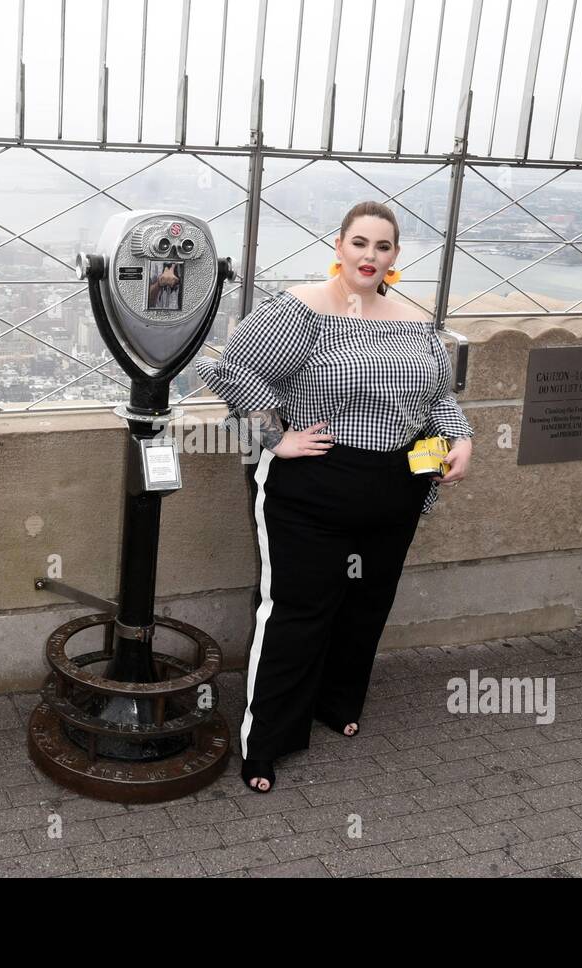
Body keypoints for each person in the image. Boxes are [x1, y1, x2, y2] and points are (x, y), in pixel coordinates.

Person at [193, 200, 475, 793]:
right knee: (297, 612)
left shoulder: (412, 320)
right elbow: (227, 371)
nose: (370, 256)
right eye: (360, 244)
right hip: (315, 488)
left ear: (395, 256)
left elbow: (438, 398)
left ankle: (337, 701)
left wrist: (463, 438)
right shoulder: (302, 310)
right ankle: (266, 741)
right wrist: (274, 438)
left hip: (399, 482)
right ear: (339, 246)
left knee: (366, 605)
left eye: (383, 247)